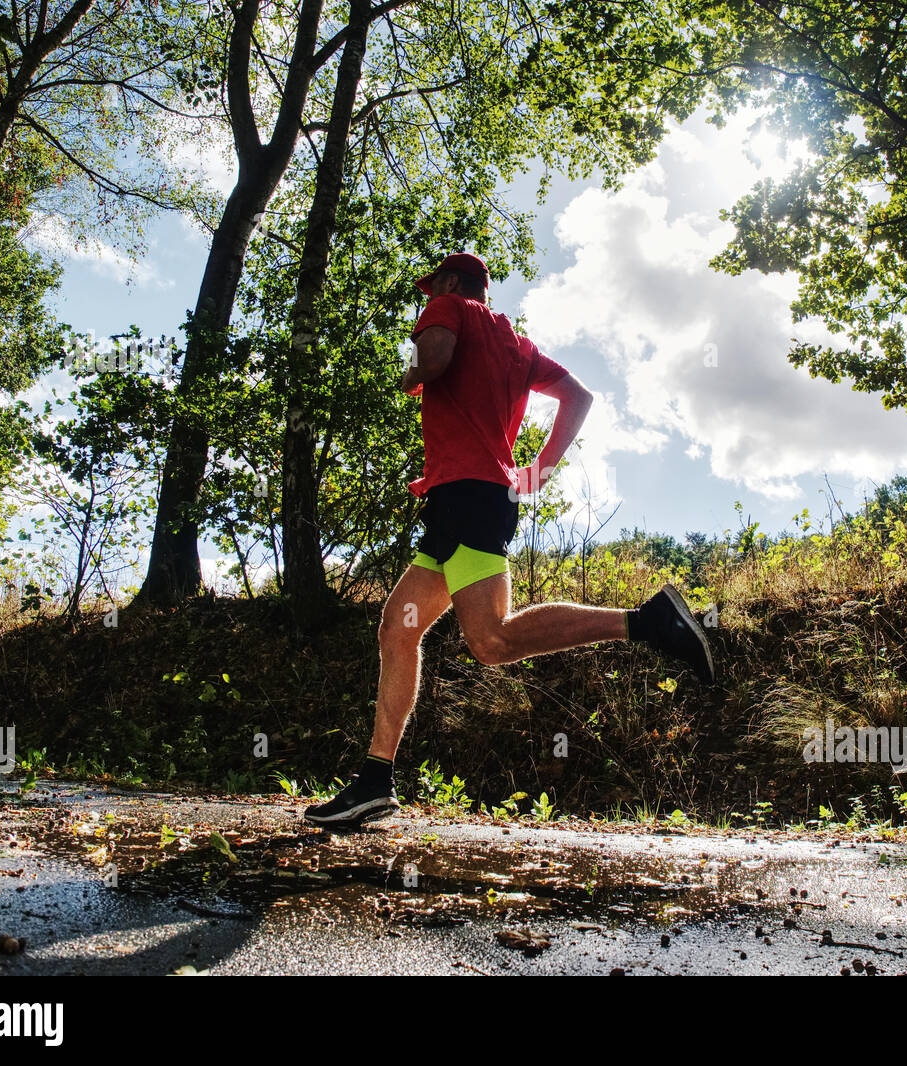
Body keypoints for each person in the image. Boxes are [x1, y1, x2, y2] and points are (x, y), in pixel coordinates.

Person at [305, 252, 714, 829]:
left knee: (491, 640)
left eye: (433, 293)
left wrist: (411, 372)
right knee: (398, 627)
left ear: (449, 284)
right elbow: (579, 396)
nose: (429, 304)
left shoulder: (448, 308)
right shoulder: (516, 344)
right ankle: (375, 781)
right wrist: (538, 469)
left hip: (471, 499)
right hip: (463, 499)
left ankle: (647, 622)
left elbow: (437, 358)